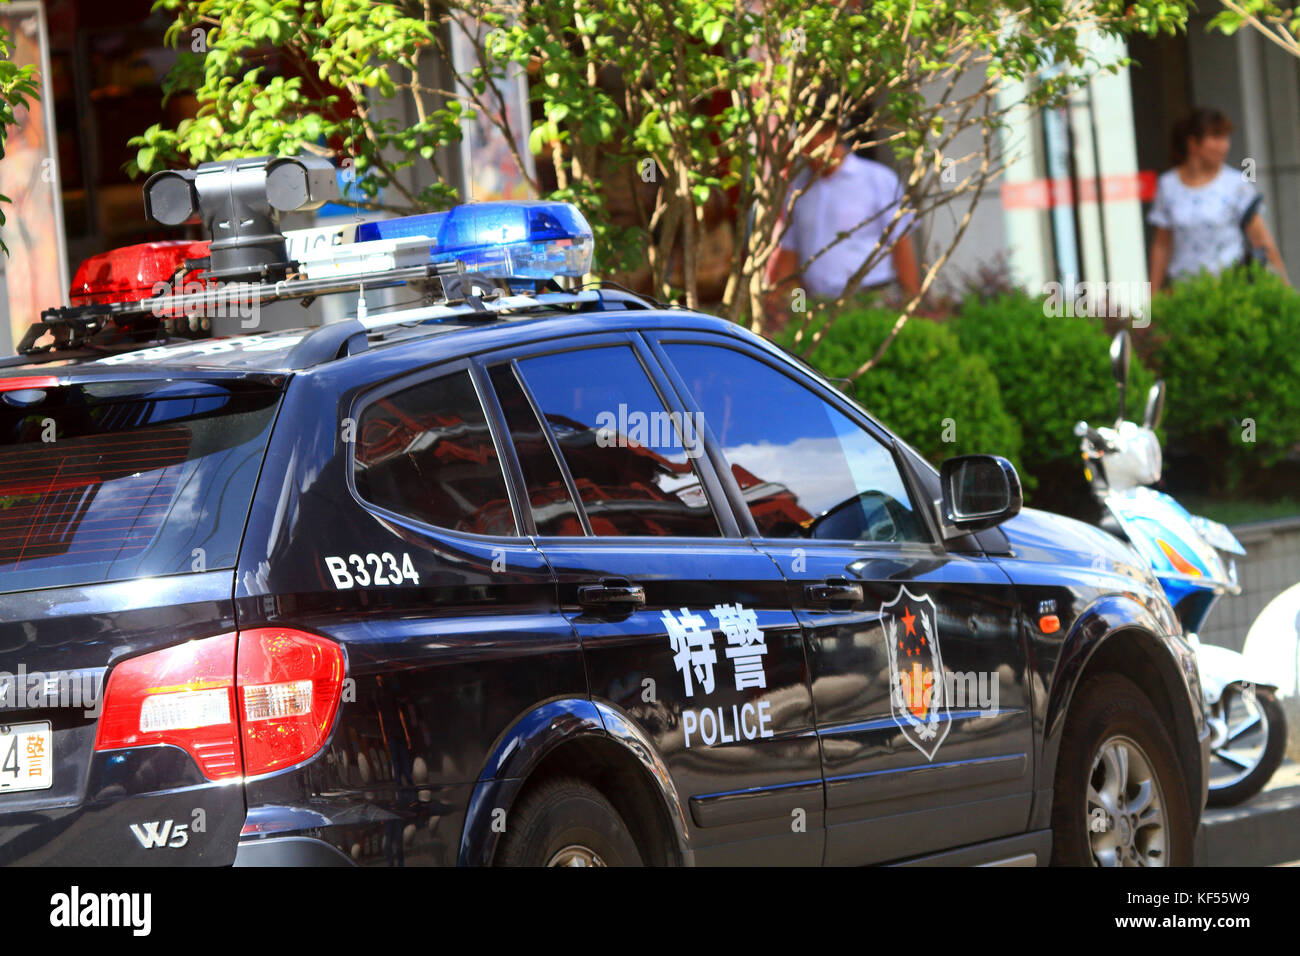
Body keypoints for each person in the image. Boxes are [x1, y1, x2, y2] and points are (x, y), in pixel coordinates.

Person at [764, 124, 921, 327]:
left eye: (810, 143)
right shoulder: (798, 190)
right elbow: (790, 259)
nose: (805, 152)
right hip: (817, 303)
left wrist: (912, 304)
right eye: (801, 145)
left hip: (873, 299)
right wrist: (795, 313)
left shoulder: (877, 179)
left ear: (831, 135)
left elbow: (901, 245)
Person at [1148, 107, 1289, 293]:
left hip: (1229, 290)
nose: (1224, 145)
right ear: (1193, 143)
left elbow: (1261, 239)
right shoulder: (1168, 185)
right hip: (1183, 290)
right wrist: (1153, 295)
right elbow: (1162, 245)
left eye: (1225, 137)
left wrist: (1285, 290)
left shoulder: (1237, 184)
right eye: (1215, 137)